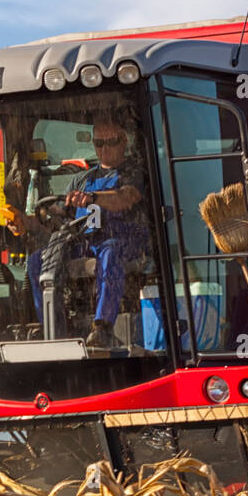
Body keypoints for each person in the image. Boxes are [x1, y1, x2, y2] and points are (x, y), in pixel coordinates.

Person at [25, 115, 149, 350]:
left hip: (125, 238)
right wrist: (31, 221)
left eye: (110, 142)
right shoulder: (82, 179)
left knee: (110, 253)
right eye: (98, 143)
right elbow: (62, 218)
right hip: (84, 241)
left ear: (124, 142)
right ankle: (54, 330)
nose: (104, 149)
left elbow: (126, 197)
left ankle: (102, 328)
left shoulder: (134, 172)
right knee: (37, 261)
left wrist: (93, 198)